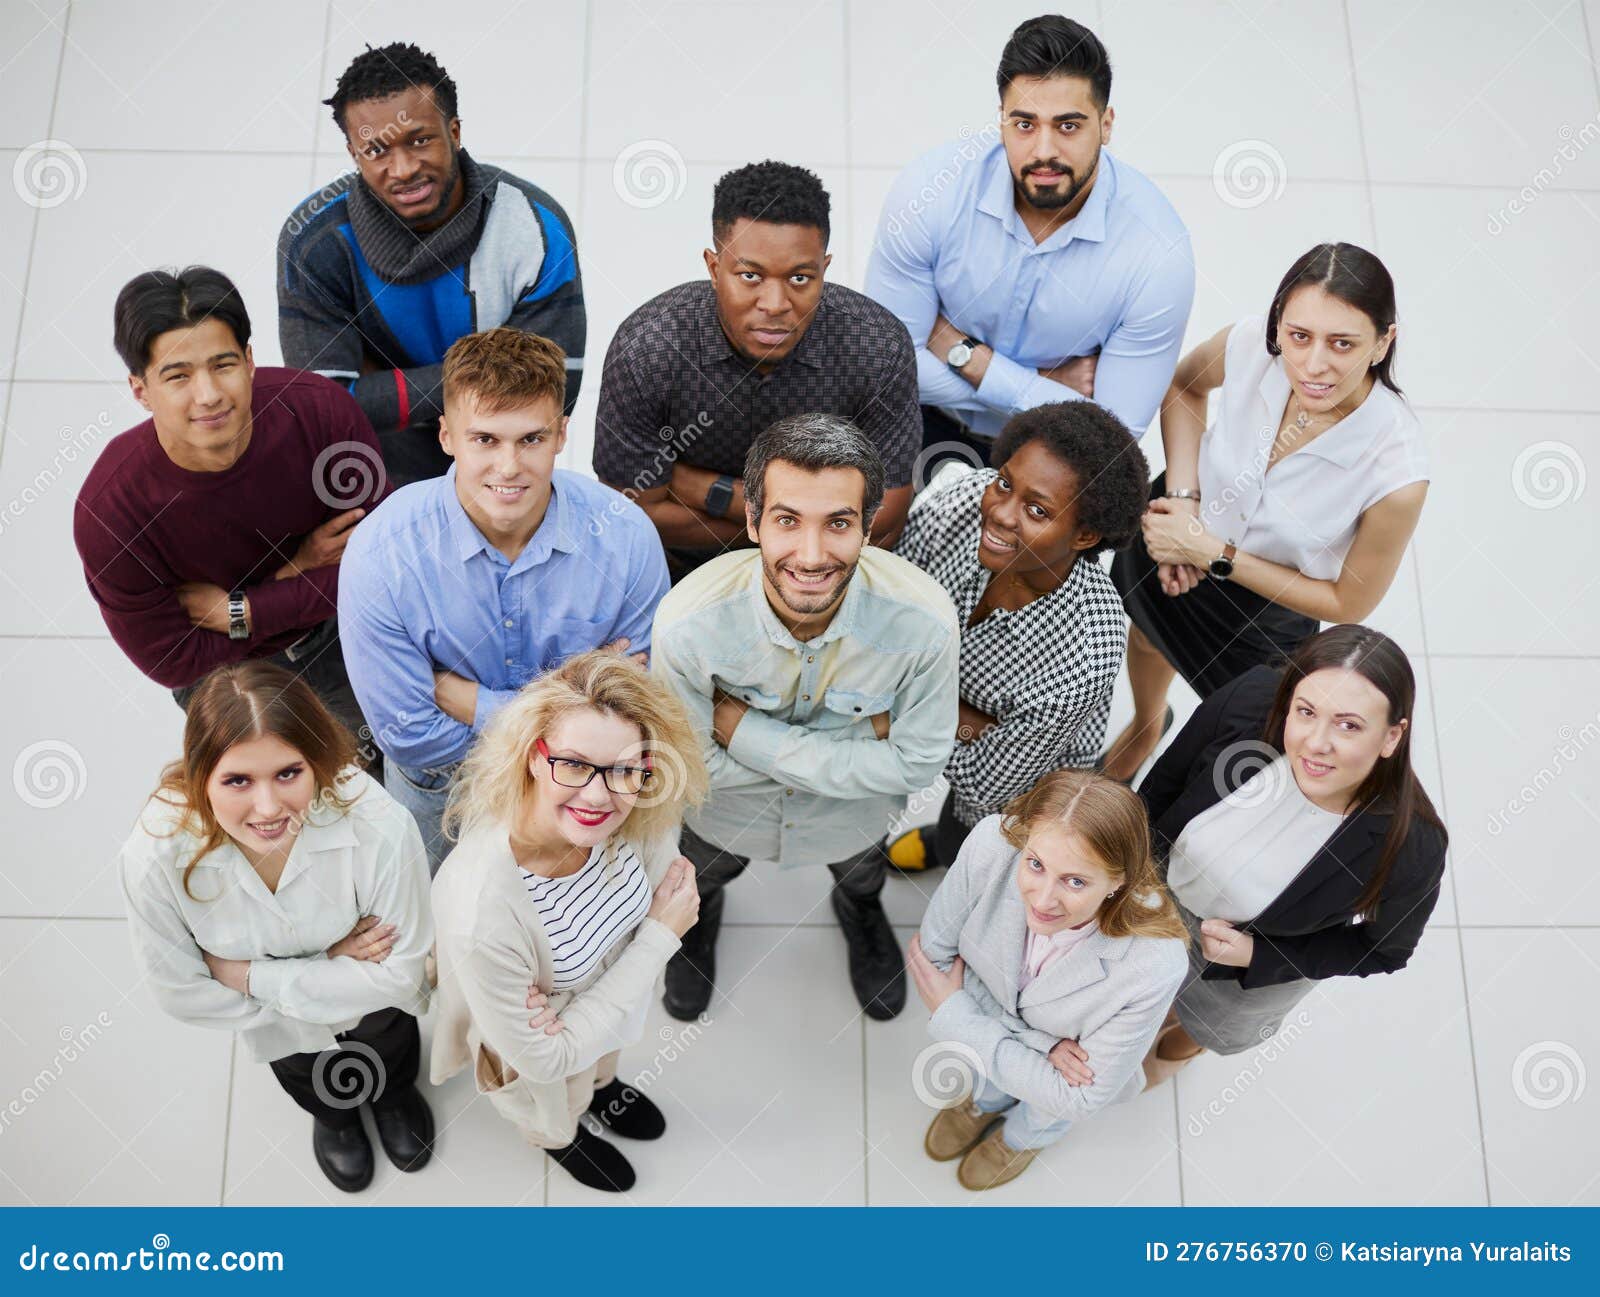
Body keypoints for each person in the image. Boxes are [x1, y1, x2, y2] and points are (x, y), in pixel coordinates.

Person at [651, 414, 959, 1021]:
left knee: (861, 874)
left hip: (852, 822)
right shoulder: (687, 623)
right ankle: (696, 917)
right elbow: (689, 771)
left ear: (869, 525)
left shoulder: (925, 623)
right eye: (788, 520)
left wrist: (738, 728)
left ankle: (859, 910)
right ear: (751, 521)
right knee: (703, 875)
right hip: (725, 819)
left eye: (839, 523)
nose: (812, 556)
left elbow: (920, 761)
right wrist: (859, 740)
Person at [338, 327, 669, 875]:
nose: (509, 466)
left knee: (568, 947)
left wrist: (465, 699)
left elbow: (636, 712)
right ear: (446, 435)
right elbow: (409, 735)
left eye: (531, 439)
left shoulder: (624, 537)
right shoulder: (382, 550)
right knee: (431, 942)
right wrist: (579, 704)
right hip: (439, 789)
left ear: (562, 434)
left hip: (585, 793)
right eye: (486, 439)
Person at [1101, 243, 1428, 783]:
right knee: (1146, 630)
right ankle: (1144, 724)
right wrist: (1184, 502)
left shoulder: (1398, 470)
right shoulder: (1251, 342)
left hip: (1268, 603)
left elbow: (1348, 600)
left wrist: (1211, 553)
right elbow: (1184, 388)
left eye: (1342, 343)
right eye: (1298, 336)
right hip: (1179, 520)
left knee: (1244, 736)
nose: (1313, 365)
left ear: (1382, 342)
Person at [119, 662, 435, 1194]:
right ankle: (335, 1117)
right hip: (281, 1029)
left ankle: (394, 1093)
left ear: (318, 764)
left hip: (353, 1009)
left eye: (289, 773)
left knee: (387, 1039)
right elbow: (181, 995)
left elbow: (400, 977)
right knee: (301, 1065)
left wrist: (248, 976)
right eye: (237, 780)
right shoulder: (155, 855)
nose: (268, 808)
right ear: (201, 776)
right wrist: (333, 964)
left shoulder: (379, 823)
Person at [75, 266, 386, 767]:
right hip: (226, 669)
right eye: (177, 376)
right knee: (281, 809)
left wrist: (240, 612)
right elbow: (173, 658)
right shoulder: (112, 509)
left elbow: (383, 570)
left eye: (223, 365)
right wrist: (296, 572)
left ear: (249, 359)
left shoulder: (318, 413)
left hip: (344, 627)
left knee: (405, 773)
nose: (209, 394)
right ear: (140, 390)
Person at [430, 650, 708, 1193]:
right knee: (556, 1104)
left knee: (599, 1066)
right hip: (548, 1063)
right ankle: (563, 1140)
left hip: (602, 1017)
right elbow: (545, 1057)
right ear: (534, 756)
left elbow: (654, 878)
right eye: (575, 764)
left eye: (625, 769)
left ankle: (605, 1087)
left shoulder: (641, 814)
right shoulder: (482, 910)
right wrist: (658, 938)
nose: (600, 795)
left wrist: (584, 1009)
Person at [864, 14, 1194, 470]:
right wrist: (1040, 383)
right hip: (921, 419)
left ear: (1107, 123)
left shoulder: (1158, 254)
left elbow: (1111, 434)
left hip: (1056, 453)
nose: (1043, 151)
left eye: (1068, 126)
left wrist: (965, 354)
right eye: (1024, 124)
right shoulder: (929, 193)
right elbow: (887, 370)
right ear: (1001, 121)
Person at [1135, 624, 1448, 1088]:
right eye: (1306, 712)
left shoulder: (1412, 846)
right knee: (1132, 991)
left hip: (1241, 963)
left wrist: (1259, 955)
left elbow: (1385, 950)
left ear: (1391, 737)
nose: (1315, 743)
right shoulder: (1250, 699)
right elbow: (1160, 789)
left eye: (1349, 725)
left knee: (1212, 1026)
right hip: (1155, 900)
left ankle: (1180, 1050)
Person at [593, 160, 921, 580]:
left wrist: (705, 490)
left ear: (824, 268)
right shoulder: (649, 347)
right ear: (714, 269)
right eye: (750, 275)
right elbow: (633, 513)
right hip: (678, 569)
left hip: (825, 577)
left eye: (800, 279)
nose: (775, 304)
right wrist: (805, 527)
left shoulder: (877, 346)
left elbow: (882, 523)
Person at [279, 42, 585, 486]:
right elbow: (326, 409)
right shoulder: (313, 243)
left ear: (455, 132)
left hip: (502, 463)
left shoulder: (535, 225)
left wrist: (383, 383)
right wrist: (493, 371)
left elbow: (553, 388)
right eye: (377, 150)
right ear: (353, 154)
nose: (402, 169)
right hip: (371, 465)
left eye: (420, 140)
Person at [885, 401, 1149, 874]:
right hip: (953, 730)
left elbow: (985, 787)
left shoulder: (1086, 653)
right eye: (1005, 483)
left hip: (1024, 786)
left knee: (966, 842)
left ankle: (944, 846)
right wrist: (972, 720)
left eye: (1037, 509)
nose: (1000, 513)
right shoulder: (964, 501)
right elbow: (888, 604)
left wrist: (901, 698)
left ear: (1085, 535)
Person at [908, 770, 1187, 1191]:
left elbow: (1078, 1097)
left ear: (1119, 882)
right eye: (1035, 864)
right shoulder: (991, 844)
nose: (1041, 900)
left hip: (1058, 1099)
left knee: (1045, 1112)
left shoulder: (1155, 964)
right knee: (994, 1075)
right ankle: (985, 1102)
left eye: (1075, 881)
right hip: (1031, 1055)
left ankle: (1018, 1140)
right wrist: (1044, 1045)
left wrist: (957, 1016)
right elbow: (934, 960)